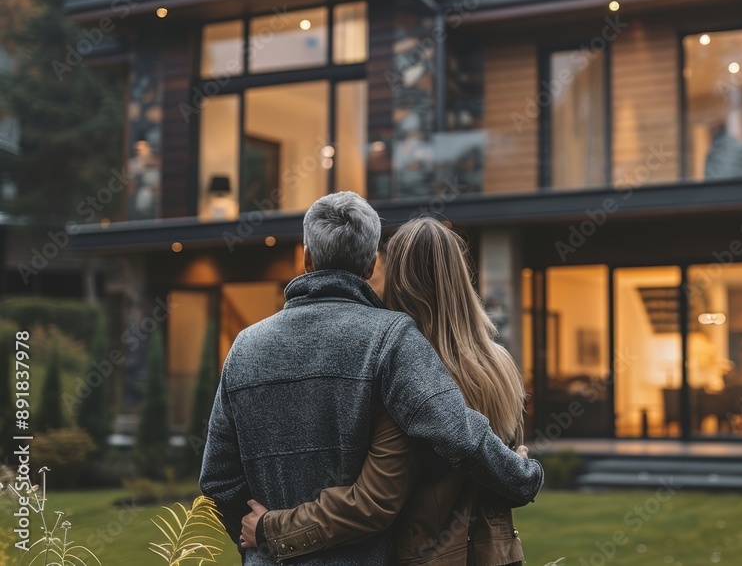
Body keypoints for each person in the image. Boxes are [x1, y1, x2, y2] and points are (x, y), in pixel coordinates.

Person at [199, 193, 542, 566]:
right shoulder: (392, 340)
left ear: (306, 257)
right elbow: (452, 437)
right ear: (370, 265)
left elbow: (217, 481)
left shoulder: (244, 347)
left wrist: (260, 543)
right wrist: (520, 475)